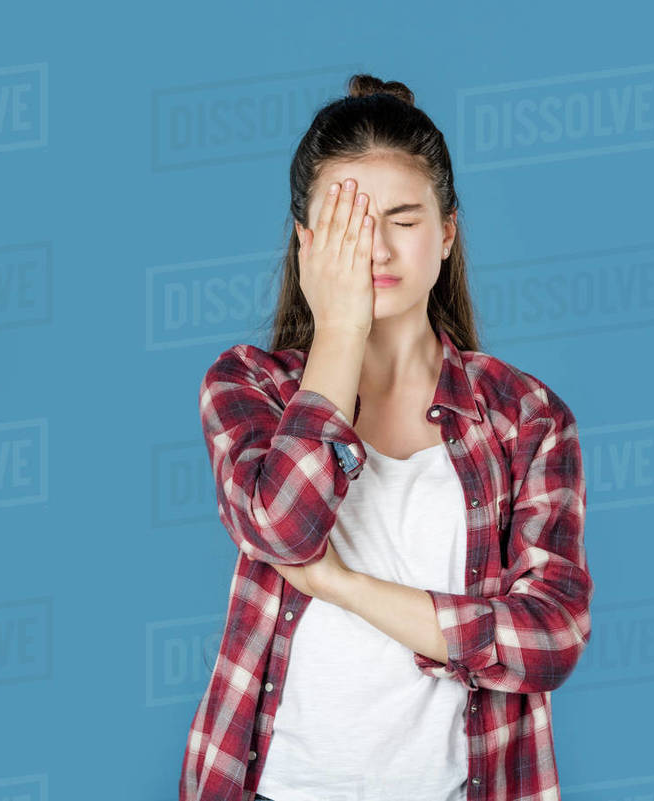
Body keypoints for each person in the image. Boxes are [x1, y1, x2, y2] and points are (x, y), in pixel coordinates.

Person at [180, 74, 594, 801]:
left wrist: (345, 585)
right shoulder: (249, 386)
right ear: (308, 243)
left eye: (403, 218)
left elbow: (551, 635)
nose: (375, 247)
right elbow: (284, 527)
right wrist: (340, 330)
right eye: (347, 222)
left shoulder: (527, 417)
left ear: (447, 233)